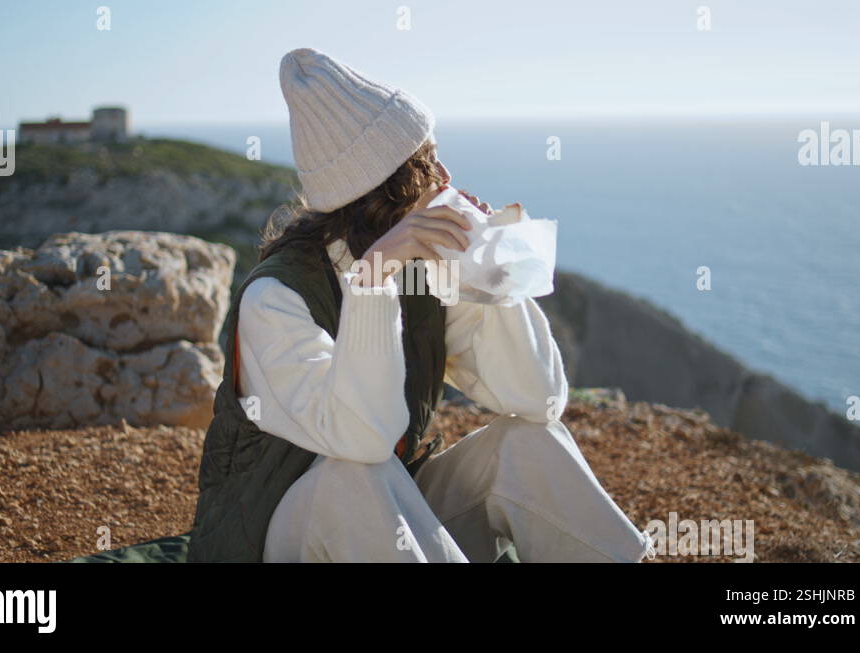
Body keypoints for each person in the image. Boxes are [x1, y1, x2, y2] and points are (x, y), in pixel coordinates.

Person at [186, 47, 656, 563]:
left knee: (524, 445)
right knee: (354, 474)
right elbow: (364, 441)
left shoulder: (421, 270)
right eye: (427, 161)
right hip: (275, 540)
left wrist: (485, 271)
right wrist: (372, 282)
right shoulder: (275, 299)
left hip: (386, 527)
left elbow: (539, 400)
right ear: (388, 188)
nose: (446, 175)